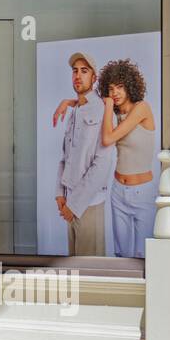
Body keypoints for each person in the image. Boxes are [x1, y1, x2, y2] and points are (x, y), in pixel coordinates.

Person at [50, 51, 114, 256]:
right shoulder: (76, 110)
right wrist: (60, 193)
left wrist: (75, 205)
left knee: (90, 273)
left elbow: (102, 164)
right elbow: (64, 157)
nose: (78, 75)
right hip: (69, 204)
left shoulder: (103, 110)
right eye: (75, 71)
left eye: (84, 71)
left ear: (94, 78)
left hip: (89, 205)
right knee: (74, 271)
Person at [96, 58, 156, 258]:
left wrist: (106, 107)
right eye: (111, 89)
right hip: (118, 191)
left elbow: (108, 139)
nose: (115, 93)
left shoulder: (141, 108)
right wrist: (66, 102)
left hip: (143, 194)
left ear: (130, 86)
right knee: (121, 255)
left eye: (120, 87)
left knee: (143, 256)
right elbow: (85, 104)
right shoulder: (115, 113)